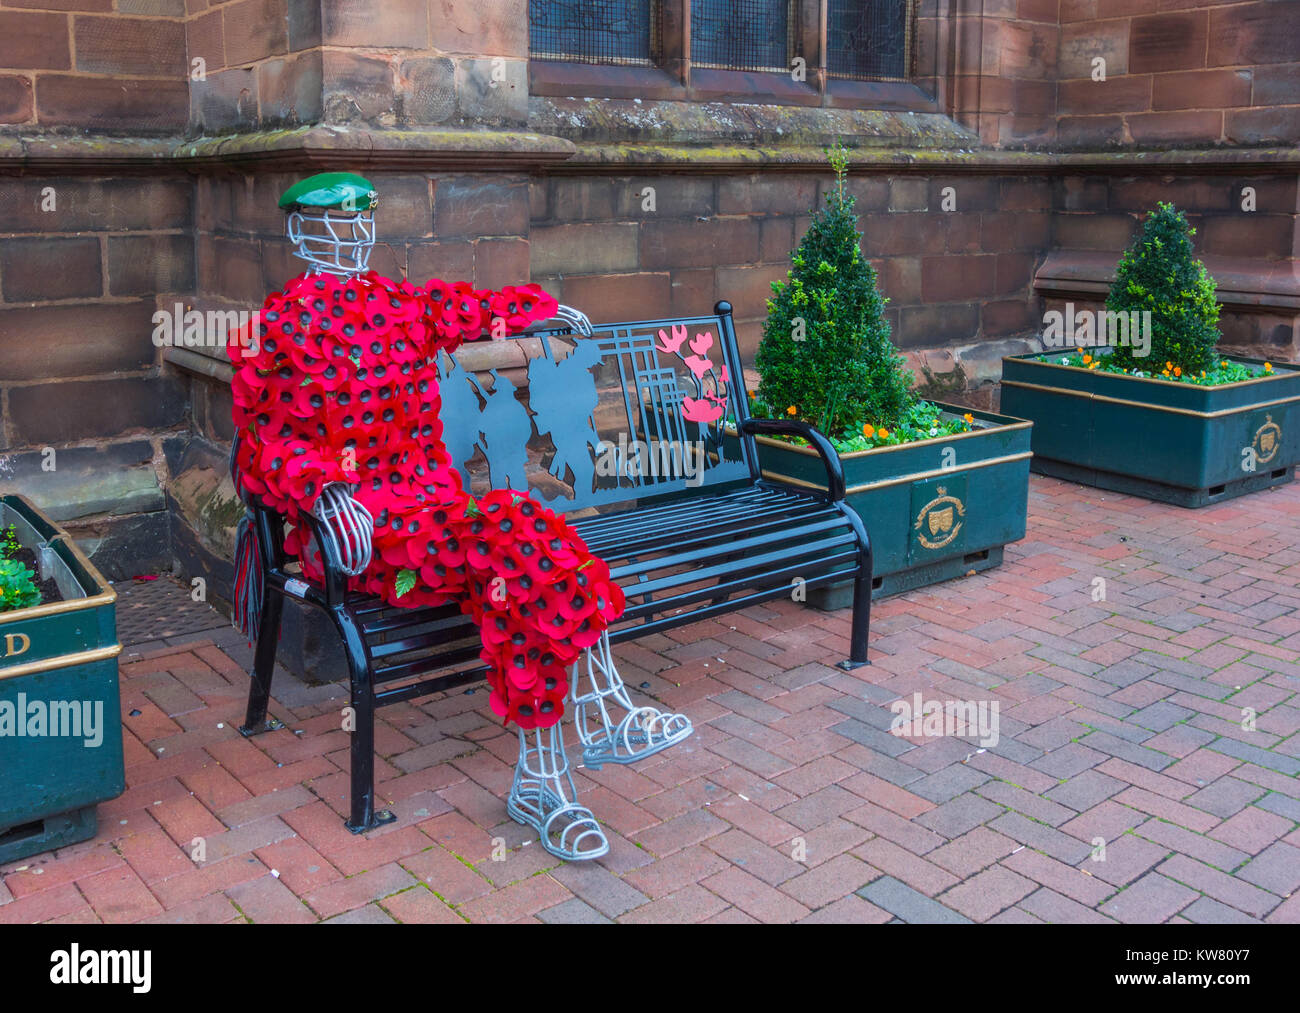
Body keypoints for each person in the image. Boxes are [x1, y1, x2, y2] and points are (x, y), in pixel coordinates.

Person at [227, 172, 691, 859]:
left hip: (436, 516)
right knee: (519, 531)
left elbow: (478, 308)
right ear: (299, 232)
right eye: (331, 225)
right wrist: (324, 490)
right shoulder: (278, 328)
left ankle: (552, 774)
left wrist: (543, 310)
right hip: (368, 535)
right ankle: (596, 720)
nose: (350, 238)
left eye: (360, 224)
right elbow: (264, 447)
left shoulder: (399, 305)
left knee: (525, 543)